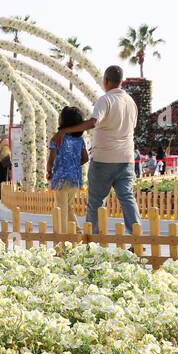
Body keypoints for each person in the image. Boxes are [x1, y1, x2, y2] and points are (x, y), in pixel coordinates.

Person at [55, 64, 141, 234]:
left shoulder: (106, 99)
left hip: (104, 159)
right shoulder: (131, 102)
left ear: (106, 80)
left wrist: (67, 129)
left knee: (96, 200)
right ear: (121, 81)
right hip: (127, 159)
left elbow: (94, 122)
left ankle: (92, 239)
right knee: (127, 197)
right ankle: (136, 236)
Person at [47, 105, 88, 229]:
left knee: (61, 209)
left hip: (61, 179)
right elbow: (85, 158)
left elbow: (51, 160)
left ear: (64, 121)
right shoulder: (80, 140)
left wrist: (49, 171)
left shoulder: (57, 138)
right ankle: (77, 233)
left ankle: (63, 241)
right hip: (75, 179)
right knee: (68, 206)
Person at [0, 137, 11, 202]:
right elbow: (7, 162)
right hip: (4, 169)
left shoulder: (0, 149)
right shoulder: (7, 149)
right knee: (4, 183)